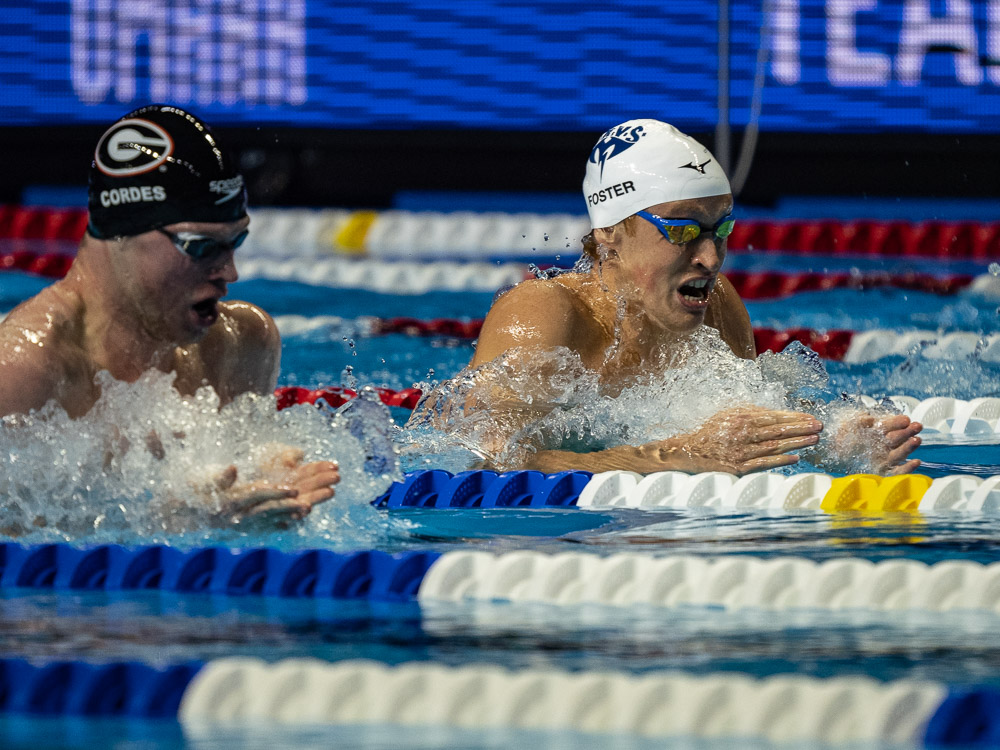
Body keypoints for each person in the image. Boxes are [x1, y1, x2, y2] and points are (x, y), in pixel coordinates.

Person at [449, 119, 923, 476]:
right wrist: (677, 456)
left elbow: (741, 437)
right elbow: (487, 462)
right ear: (610, 231)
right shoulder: (544, 314)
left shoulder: (716, 305)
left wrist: (830, 443)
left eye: (722, 230)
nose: (711, 260)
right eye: (682, 230)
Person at [0, 105, 339, 522]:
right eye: (201, 246)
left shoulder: (240, 343)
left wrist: (268, 484)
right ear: (121, 230)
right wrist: (169, 524)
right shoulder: (23, 372)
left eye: (235, 242)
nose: (229, 271)